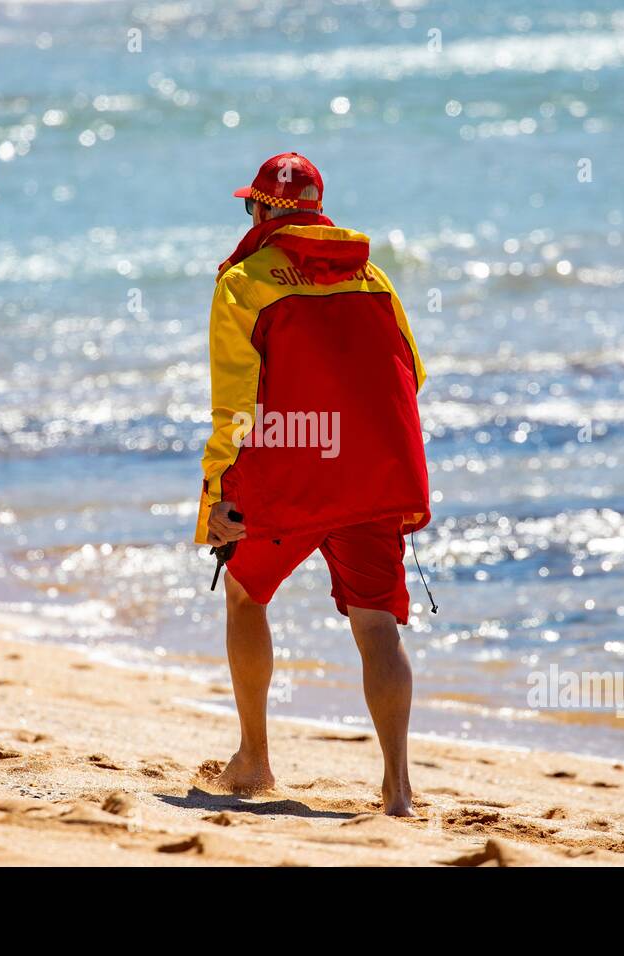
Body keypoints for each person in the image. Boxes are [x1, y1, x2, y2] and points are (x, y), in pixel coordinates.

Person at [194, 152, 431, 816]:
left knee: (243, 595)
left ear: (264, 211)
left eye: (251, 206)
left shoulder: (244, 281)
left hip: (290, 471)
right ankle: (399, 791)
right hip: (373, 473)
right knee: (376, 625)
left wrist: (219, 490)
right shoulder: (372, 276)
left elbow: (235, 405)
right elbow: (411, 374)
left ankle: (254, 759)